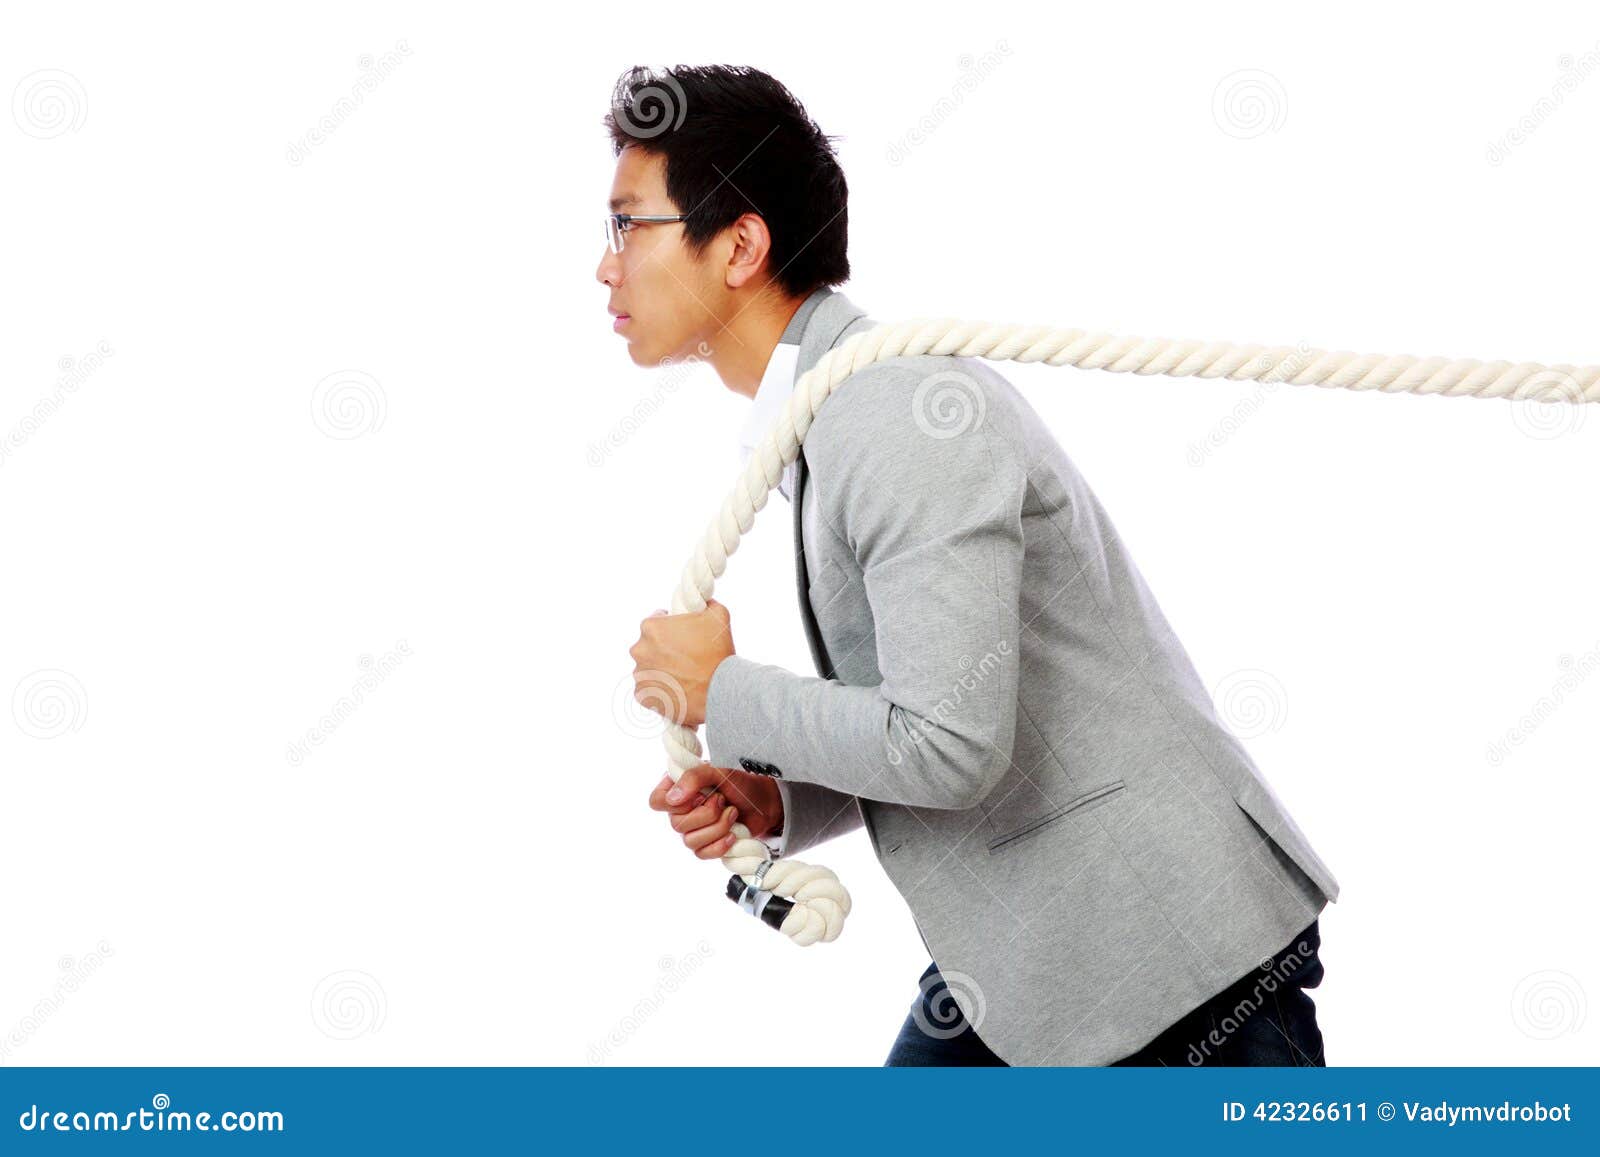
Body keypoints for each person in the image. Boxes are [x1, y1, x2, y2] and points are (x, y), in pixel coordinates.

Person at [608, 64, 1341, 1066]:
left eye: (626, 224)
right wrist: (787, 797)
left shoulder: (897, 410)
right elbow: (942, 706)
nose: (603, 267)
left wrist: (722, 689)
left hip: (1165, 959)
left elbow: (947, 744)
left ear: (739, 242)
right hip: (1038, 964)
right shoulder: (839, 415)